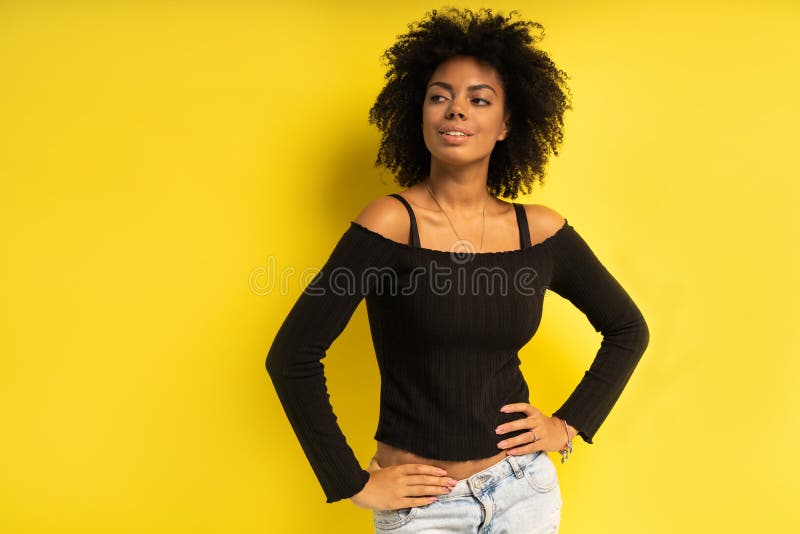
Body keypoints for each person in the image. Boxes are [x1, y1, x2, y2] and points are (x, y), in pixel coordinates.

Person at [266, 7, 650, 533]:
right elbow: (292, 357)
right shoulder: (390, 224)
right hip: (424, 505)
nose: (456, 111)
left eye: (479, 100)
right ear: (419, 113)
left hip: (523, 491)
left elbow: (628, 329)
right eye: (439, 96)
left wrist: (568, 425)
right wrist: (352, 482)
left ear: (507, 124)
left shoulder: (538, 231)